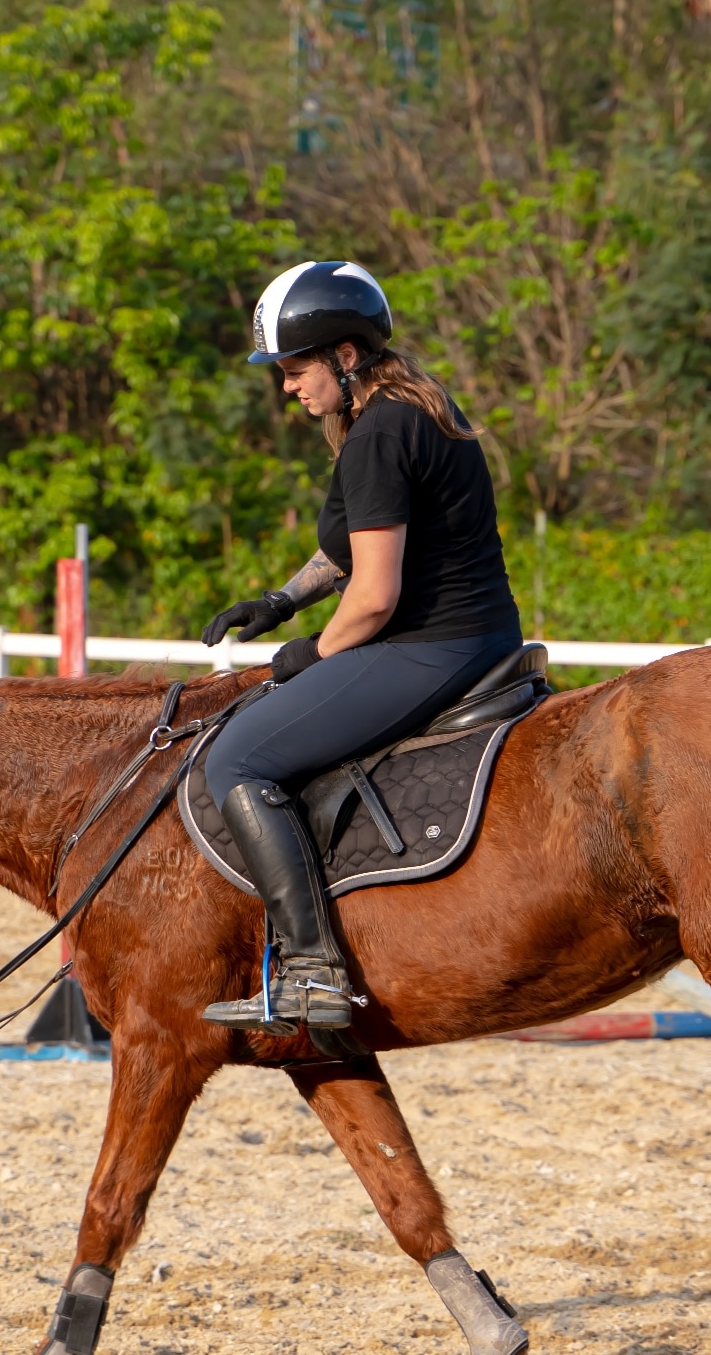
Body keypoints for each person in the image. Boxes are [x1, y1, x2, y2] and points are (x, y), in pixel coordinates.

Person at [197, 259, 523, 1037]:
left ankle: (313, 971)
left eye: (296, 368)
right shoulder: (412, 406)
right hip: (477, 634)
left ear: (346, 355)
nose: (286, 387)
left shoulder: (380, 431)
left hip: (426, 646)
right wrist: (282, 600)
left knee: (236, 760)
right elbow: (353, 549)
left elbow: (374, 597)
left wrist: (309, 654)